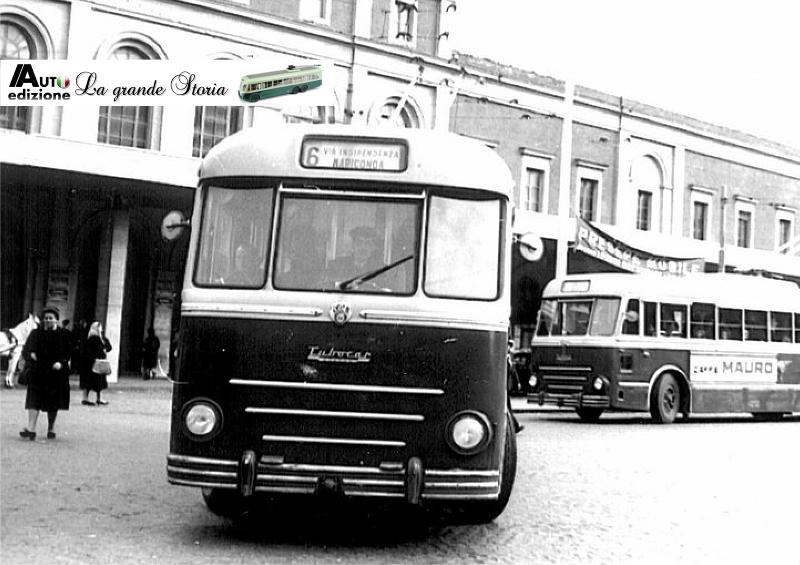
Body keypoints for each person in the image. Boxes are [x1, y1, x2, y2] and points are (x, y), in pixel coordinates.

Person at [19, 307, 72, 441]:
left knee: (53, 403)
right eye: (46, 318)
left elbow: (70, 353)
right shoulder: (36, 333)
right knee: (33, 401)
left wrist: (62, 362)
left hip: (55, 374)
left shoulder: (64, 334)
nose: (47, 320)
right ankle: (31, 429)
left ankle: (51, 428)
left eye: (50, 318)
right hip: (38, 372)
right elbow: (26, 350)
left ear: (56, 320)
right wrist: (30, 354)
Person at [80, 321, 112, 406]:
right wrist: (103, 350)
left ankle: (91, 398)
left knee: (95, 382)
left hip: (95, 363)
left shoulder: (100, 338)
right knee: (95, 381)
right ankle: (93, 398)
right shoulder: (93, 339)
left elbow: (109, 347)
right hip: (93, 363)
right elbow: (97, 350)